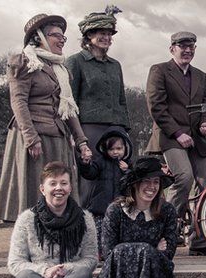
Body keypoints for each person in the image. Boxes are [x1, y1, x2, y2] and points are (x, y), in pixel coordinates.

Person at [0, 14, 93, 222]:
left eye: (63, 37)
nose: (61, 40)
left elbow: (68, 108)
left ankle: (57, 242)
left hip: (58, 138)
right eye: (56, 35)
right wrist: (31, 138)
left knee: (59, 197)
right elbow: (18, 102)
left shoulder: (61, 69)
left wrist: (82, 141)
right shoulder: (24, 62)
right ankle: (29, 242)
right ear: (39, 37)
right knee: (33, 197)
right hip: (33, 138)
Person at [8, 161, 100, 278]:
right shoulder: (27, 219)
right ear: (42, 189)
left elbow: (90, 259)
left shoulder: (85, 219)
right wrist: (45, 271)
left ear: (70, 187)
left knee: (83, 273)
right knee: (25, 276)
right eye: (53, 183)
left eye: (64, 183)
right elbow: (15, 263)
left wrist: (66, 269)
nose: (59, 188)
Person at [91, 156, 178, 278]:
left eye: (156, 182)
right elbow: (109, 252)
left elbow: (168, 253)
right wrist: (151, 247)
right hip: (117, 276)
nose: (152, 187)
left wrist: (144, 252)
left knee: (139, 253)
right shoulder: (115, 210)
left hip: (153, 276)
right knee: (128, 253)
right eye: (146, 181)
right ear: (134, 184)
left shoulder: (167, 211)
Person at [145, 31, 206, 255]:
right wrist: (177, 133)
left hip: (197, 139)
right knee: (184, 177)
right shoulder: (160, 71)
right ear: (171, 49)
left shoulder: (201, 76)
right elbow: (156, 106)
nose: (187, 50)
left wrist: (205, 123)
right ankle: (166, 232)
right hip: (170, 136)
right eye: (182, 46)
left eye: (191, 47)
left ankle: (201, 240)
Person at [66, 6, 130, 199]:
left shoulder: (115, 65)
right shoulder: (75, 62)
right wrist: (75, 135)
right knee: (91, 178)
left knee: (119, 176)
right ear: (89, 36)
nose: (107, 38)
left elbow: (121, 99)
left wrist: (125, 129)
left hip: (116, 128)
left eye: (110, 34)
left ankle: (116, 223)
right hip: (89, 129)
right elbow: (71, 101)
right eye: (102, 33)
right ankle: (89, 223)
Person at [78, 127, 133, 235]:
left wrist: (127, 171)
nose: (115, 152)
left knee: (117, 234)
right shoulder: (101, 161)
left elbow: (133, 182)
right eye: (111, 149)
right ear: (105, 149)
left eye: (119, 148)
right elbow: (90, 173)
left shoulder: (128, 164)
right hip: (100, 208)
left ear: (125, 148)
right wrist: (85, 164)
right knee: (98, 233)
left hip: (121, 209)